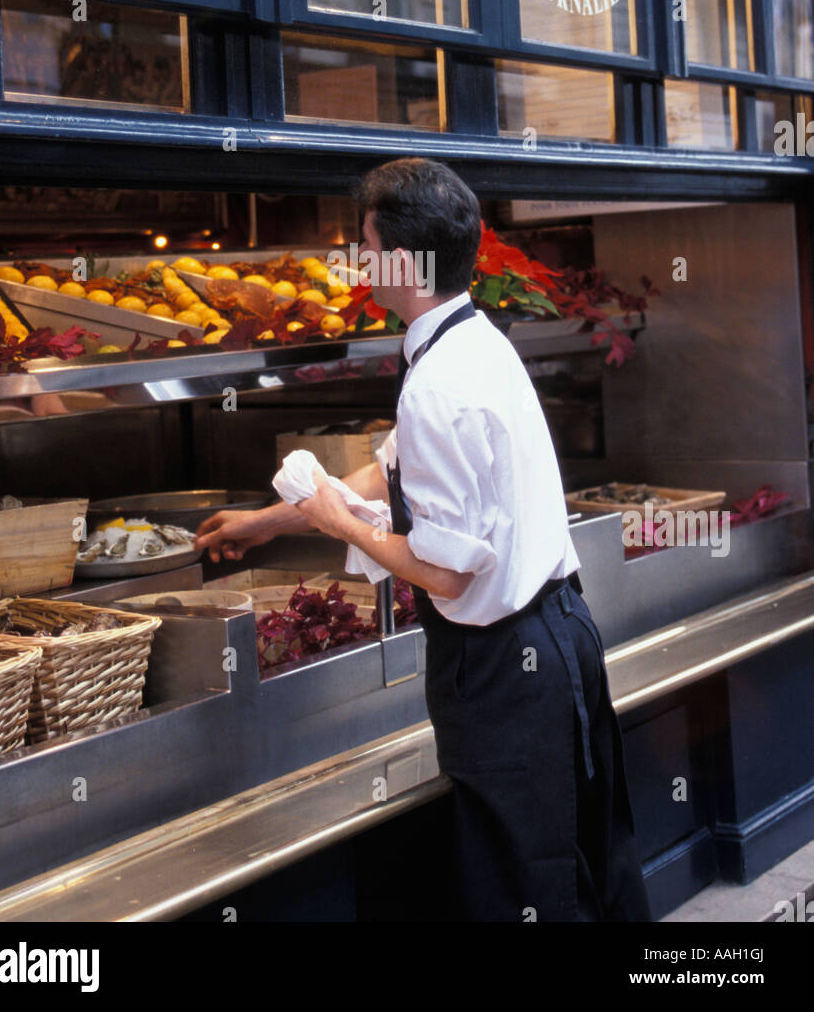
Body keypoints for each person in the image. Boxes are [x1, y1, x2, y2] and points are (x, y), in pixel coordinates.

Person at [195, 157, 651, 923]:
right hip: (559, 633)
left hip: (506, 665)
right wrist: (270, 520)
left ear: (401, 262)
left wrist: (338, 525)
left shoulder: (441, 383)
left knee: (528, 885)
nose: (358, 260)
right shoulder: (471, 340)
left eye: (364, 244)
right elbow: (390, 469)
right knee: (590, 863)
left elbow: (444, 575)